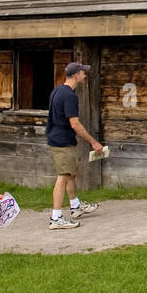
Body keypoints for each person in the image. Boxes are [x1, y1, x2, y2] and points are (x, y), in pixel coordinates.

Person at [47, 61, 104, 230]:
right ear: (77, 74)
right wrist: (93, 141)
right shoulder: (70, 96)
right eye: (83, 72)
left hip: (59, 138)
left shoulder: (57, 90)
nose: (85, 75)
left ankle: (75, 206)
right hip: (62, 141)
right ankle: (56, 218)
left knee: (71, 172)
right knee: (63, 176)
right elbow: (75, 124)